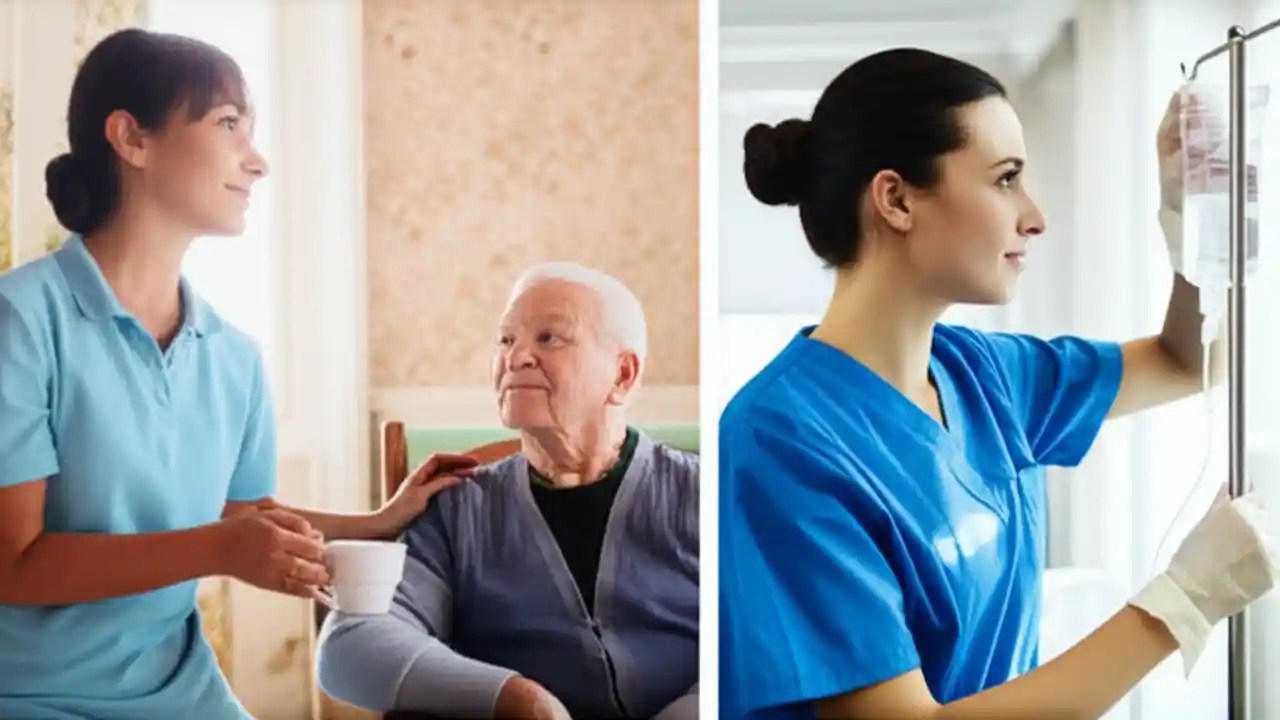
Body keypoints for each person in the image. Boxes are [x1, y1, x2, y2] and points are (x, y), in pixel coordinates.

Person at [718, 48, 1278, 720]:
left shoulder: (983, 375)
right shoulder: (777, 445)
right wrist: (1183, 601)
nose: (1035, 216)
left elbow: (1187, 361)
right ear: (896, 199)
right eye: (1006, 179)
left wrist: (1195, 219)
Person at [0, 29, 472, 719]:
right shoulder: (20, 322)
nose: (257, 161)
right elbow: (14, 563)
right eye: (228, 125)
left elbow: (238, 516)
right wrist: (218, 549)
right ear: (131, 138)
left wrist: (376, 523)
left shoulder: (234, 356)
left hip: (182, 691)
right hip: (28, 694)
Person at [316, 263, 700, 720]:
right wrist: (518, 700)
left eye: (548, 338)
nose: (516, 357)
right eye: (505, 340)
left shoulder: (702, 494)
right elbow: (350, 644)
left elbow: (752, 642)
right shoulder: (457, 506)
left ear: (623, 375)